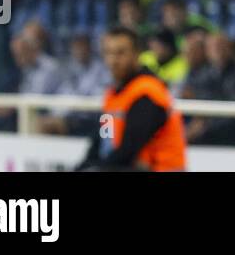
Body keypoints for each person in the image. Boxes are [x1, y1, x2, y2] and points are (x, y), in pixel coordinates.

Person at [76, 26, 187, 171]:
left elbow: (129, 149)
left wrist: (98, 168)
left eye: (121, 53)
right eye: (108, 53)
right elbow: (103, 140)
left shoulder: (148, 92)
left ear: (137, 54)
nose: (113, 60)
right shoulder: (113, 95)